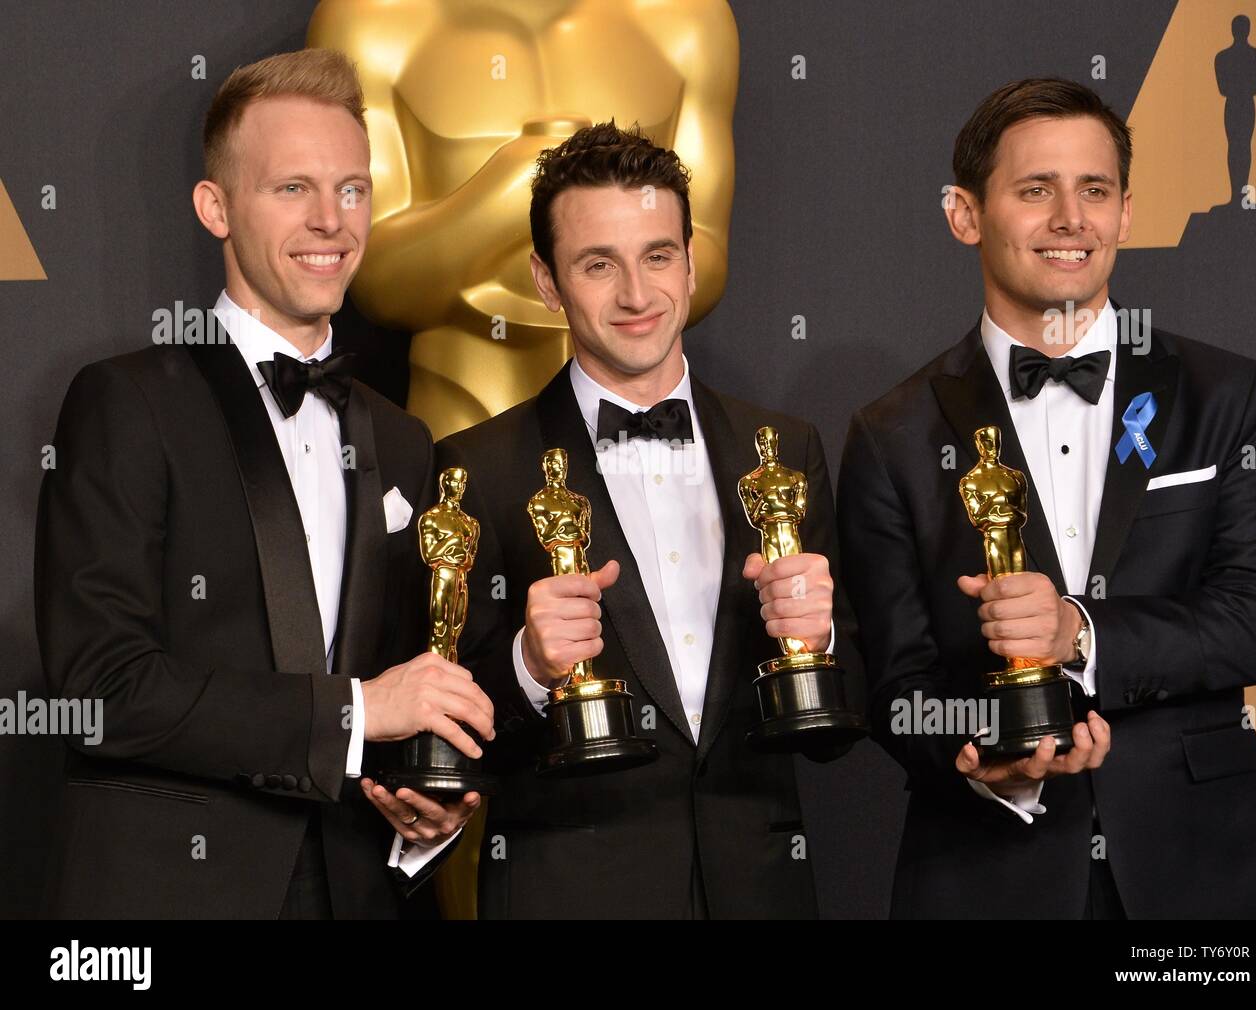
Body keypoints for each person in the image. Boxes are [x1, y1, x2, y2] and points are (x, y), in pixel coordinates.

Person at [34, 48, 494, 919]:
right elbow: (100, 688)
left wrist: (419, 814)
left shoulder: (402, 441)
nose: (331, 220)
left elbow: (403, 696)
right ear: (216, 207)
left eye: (351, 190)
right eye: (293, 189)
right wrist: (359, 712)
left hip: (359, 889)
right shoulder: (127, 402)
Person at [838, 77, 1256, 918]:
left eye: (1094, 190)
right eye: (1034, 190)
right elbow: (898, 692)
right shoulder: (889, 434)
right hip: (988, 873)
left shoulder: (1228, 393)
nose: (1070, 220)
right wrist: (987, 760)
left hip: (1207, 871)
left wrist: (1078, 632)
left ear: (1126, 213)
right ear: (965, 216)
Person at [386, 122, 863, 918]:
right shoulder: (474, 469)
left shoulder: (782, 449)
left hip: (763, 889)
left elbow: (840, 728)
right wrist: (531, 667)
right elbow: (438, 742)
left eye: (658, 256)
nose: (638, 296)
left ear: (691, 258)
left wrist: (822, 645)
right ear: (547, 282)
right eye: (598, 265)